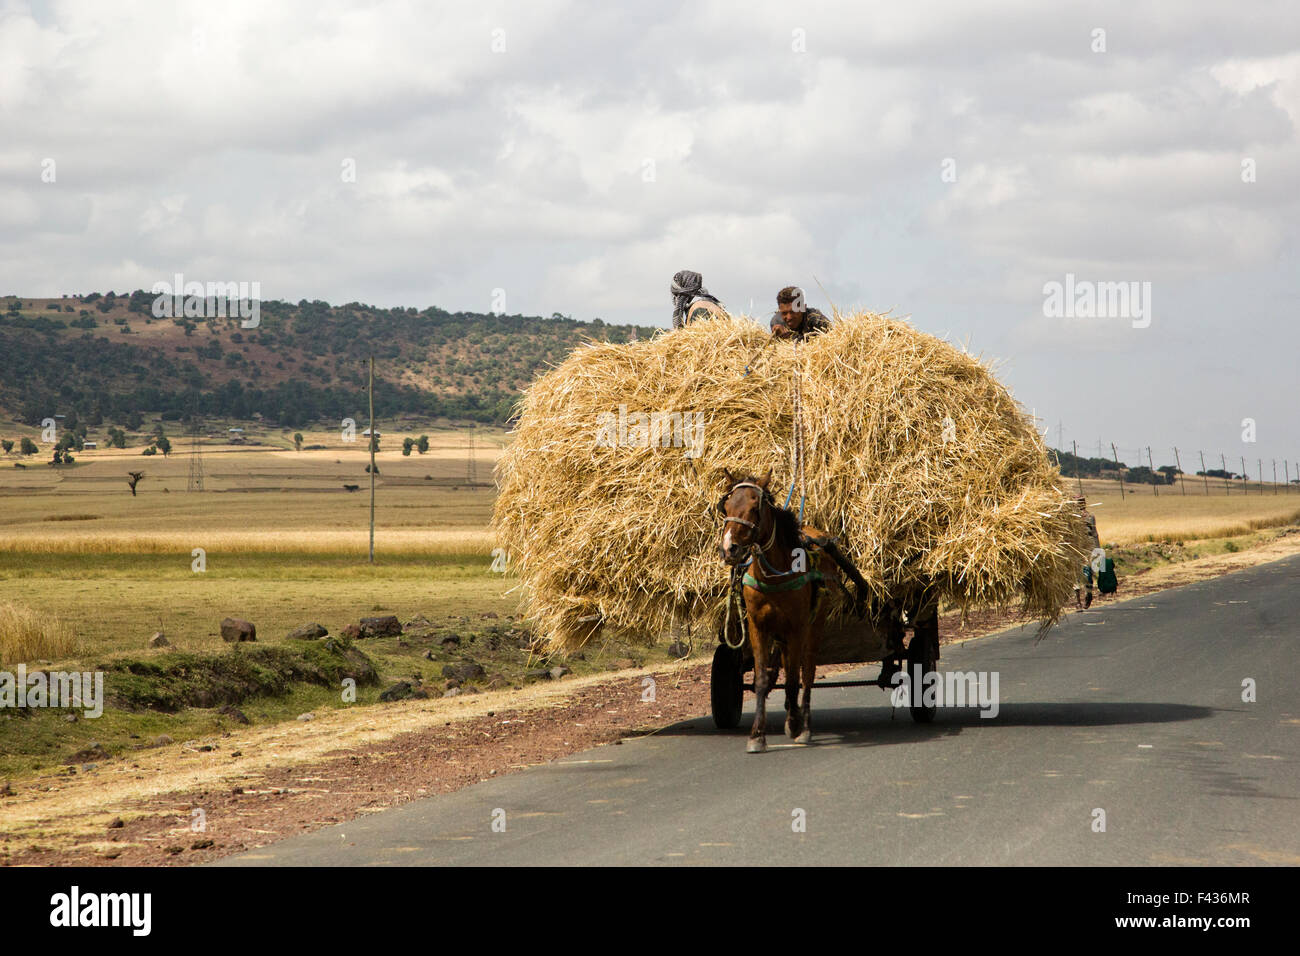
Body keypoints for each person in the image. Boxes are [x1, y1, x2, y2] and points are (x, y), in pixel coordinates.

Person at [1074, 496, 1101, 609]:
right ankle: (1082, 598)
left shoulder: (1088, 517)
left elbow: (1094, 533)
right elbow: (1095, 534)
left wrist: (1098, 550)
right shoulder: (1075, 517)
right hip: (1077, 547)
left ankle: (1081, 599)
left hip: (1084, 548)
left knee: (1082, 573)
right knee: (1081, 573)